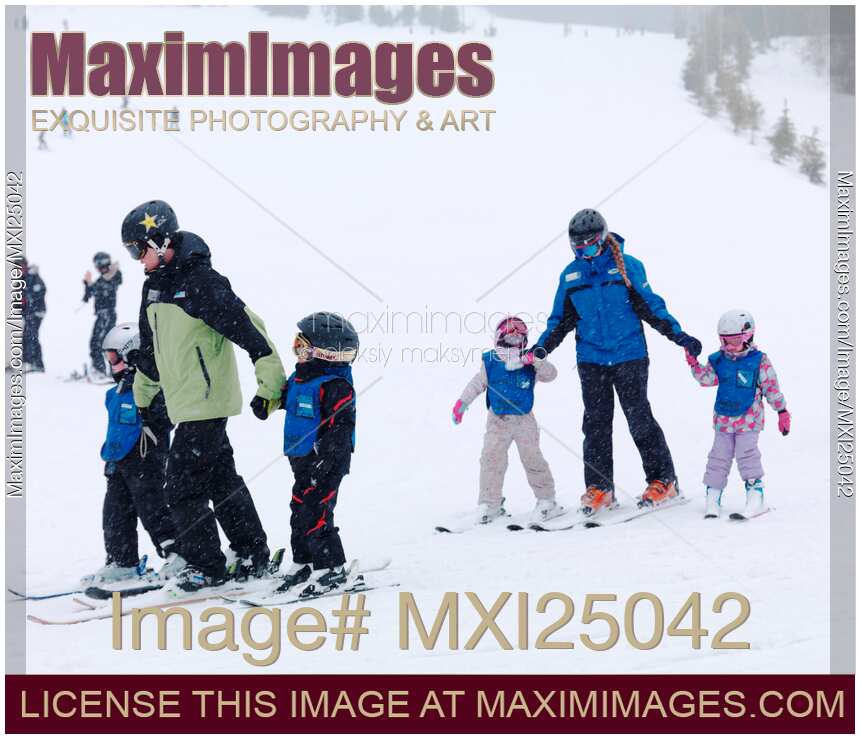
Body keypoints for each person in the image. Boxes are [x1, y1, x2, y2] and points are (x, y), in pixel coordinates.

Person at [123, 199, 285, 593]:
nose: (137, 260)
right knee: (220, 479)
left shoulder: (201, 283)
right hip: (184, 404)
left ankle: (206, 566)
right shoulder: (154, 288)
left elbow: (253, 332)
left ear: (160, 241)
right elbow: (153, 355)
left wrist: (271, 386)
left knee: (179, 487)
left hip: (207, 400)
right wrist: (143, 402)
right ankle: (251, 553)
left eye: (138, 250)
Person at [533, 209, 702, 518]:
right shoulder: (570, 276)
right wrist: (541, 348)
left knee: (638, 417)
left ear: (604, 239)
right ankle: (600, 488)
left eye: (592, 245)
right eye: (578, 246)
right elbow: (560, 320)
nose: (585, 251)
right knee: (595, 424)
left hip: (629, 355)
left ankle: (664, 480)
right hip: (591, 359)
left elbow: (652, 308)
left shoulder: (627, 267)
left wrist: (681, 337)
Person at [81, 323, 182, 586]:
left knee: (152, 506)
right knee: (114, 512)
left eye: (113, 357)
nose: (109, 363)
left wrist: (153, 421)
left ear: (132, 356)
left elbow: (166, 417)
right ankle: (122, 561)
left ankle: (178, 552)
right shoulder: (116, 392)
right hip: (117, 462)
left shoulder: (152, 388)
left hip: (144, 459)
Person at [267, 312, 359, 597]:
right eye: (296, 344)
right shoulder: (300, 377)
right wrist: (266, 401)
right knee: (299, 510)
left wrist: (326, 460)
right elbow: (289, 399)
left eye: (301, 345)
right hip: (303, 461)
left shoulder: (335, 386)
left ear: (322, 353)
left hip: (326, 463)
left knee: (317, 513)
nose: (297, 351)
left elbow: (341, 429)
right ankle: (304, 562)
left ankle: (331, 568)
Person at [452, 316, 561, 525]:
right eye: (509, 333)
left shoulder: (529, 360)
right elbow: (476, 384)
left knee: (532, 458)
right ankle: (489, 504)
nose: (514, 337)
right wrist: (462, 404)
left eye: (519, 334)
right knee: (491, 460)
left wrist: (537, 361)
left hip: (524, 420)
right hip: (497, 421)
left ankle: (547, 500)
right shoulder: (490, 361)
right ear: (499, 337)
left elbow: (551, 375)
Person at [685, 309, 789, 519]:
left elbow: (771, 387)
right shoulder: (718, 360)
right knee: (718, 457)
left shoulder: (759, 360)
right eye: (725, 340)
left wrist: (782, 410)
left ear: (747, 336)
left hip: (749, 420)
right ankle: (713, 496)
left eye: (733, 340)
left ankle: (755, 495)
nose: (729, 345)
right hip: (723, 419)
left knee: (747, 455)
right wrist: (694, 364)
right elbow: (707, 380)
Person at [83, 251, 122, 378]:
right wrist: (87, 284)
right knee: (99, 342)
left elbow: (108, 284)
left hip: (108, 314)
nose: (97, 267)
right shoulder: (103, 278)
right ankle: (104, 370)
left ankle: (111, 371)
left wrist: (91, 286)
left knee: (103, 343)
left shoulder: (113, 275)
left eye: (98, 263)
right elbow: (89, 294)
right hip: (102, 315)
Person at [22, 259, 46, 372]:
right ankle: (28, 361)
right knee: (27, 336)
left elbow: (40, 291)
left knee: (31, 336)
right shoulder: (22, 278)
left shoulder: (33, 277)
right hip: (28, 313)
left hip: (36, 313)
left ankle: (35, 363)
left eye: (21, 266)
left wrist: (28, 300)